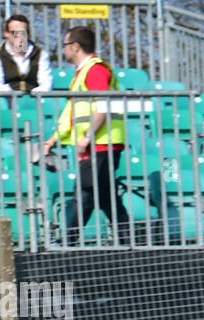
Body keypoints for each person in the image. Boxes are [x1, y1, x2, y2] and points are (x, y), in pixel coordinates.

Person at [43, 26, 129, 244]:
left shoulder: (96, 70)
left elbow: (103, 107)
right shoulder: (83, 73)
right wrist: (53, 140)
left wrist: (88, 136)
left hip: (101, 143)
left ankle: (67, 241)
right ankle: (128, 240)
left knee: (85, 193)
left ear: (75, 47)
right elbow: (71, 113)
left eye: (65, 45)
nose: (63, 50)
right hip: (98, 143)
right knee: (106, 196)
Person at [0, 14, 52, 93]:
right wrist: (16, 97)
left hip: (36, 101)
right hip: (6, 102)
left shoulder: (41, 54)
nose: (20, 37)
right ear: (6, 34)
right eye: (15, 33)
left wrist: (30, 98)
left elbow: (46, 85)